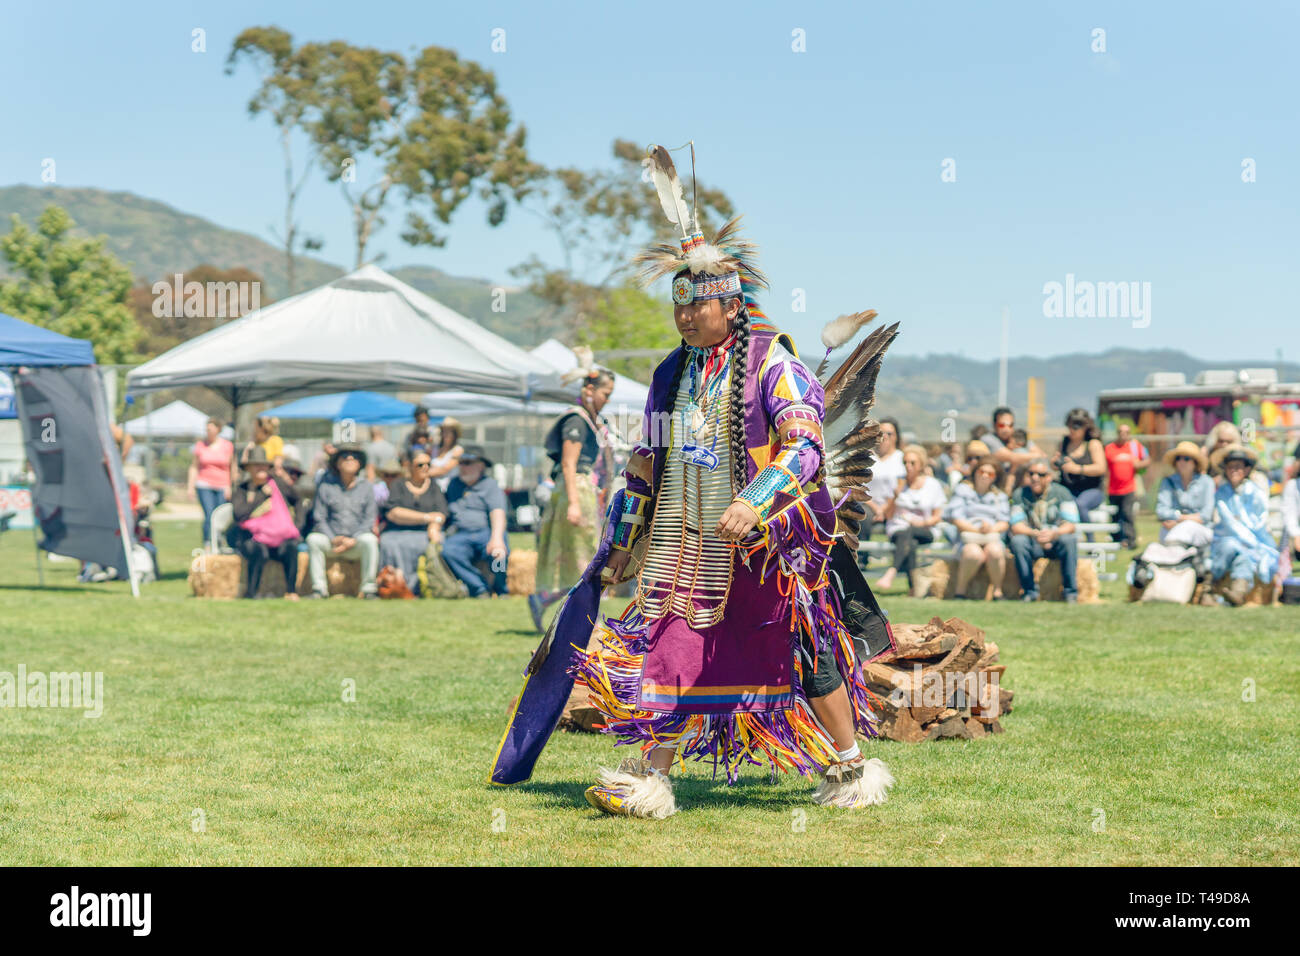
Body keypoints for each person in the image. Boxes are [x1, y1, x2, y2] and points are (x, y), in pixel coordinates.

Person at [573, 164, 894, 819]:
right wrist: (623, 542)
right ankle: (651, 781)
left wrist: (755, 500)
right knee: (668, 643)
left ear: (731, 306)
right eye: (679, 305)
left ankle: (850, 765)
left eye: (698, 305)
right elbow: (645, 461)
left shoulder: (775, 361)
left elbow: (805, 446)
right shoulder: (670, 373)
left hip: (768, 543)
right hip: (685, 540)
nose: (685, 316)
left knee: (800, 651)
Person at [529, 368, 617, 631]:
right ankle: (584, 619)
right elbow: (568, 464)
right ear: (589, 390)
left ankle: (547, 601)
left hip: (583, 490)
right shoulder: (576, 420)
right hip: (574, 490)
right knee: (585, 556)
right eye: (605, 394)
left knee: (584, 555)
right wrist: (575, 503)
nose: (607, 400)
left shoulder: (591, 420)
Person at [306, 443, 379, 599]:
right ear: (337, 463)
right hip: (332, 541)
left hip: (356, 542)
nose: (350, 459)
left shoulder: (367, 487)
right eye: (345, 457)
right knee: (313, 540)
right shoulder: (325, 486)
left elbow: (369, 519)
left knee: (370, 540)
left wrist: (353, 539)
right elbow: (319, 517)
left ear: (360, 464)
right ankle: (319, 589)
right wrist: (333, 538)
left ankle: (368, 589)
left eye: (355, 457)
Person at [1210, 444, 1279, 606]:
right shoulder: (1222, 493)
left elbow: (1259, 521)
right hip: (1228, 539)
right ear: (1225, 470)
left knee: (1243, 555)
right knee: (1233, 548)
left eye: (1238, 467)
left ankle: (1233, 592)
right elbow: (1227, 522)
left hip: (1253, 540)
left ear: (1247, 470)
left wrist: (1246, 536)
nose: (1234, 471)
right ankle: (1220, 588)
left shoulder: (1255, 492)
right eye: (1230, 467)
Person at [227, 451, 301, 600]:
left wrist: (298, 525)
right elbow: (239, 514)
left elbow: (298, 501)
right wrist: (262, 495)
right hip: (251, 538)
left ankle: (291, 591)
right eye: (256, 465)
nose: (260, 468)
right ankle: (252, 593)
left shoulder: (278, 484)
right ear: (248, 469)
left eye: (263, 465)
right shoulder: (242, 489)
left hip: (278, 537)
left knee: (291, 548)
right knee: (259, 551)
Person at [875, 444, 946, 592]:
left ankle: (892, 571)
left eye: (912, 463)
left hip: (925, 529)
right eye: (905, 462)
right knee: (910, 541)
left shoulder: (933, 485)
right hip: (898, 528)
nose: (908, 466)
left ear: (921, 465)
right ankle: (914, 588)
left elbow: (937, 517)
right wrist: (896, 494)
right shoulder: (897, 483)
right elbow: (888, 515)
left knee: (910, 532)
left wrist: (922, 522)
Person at [1009, 457, 1080, 602]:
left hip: (1056, 541)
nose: (1035, 478)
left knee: (1069, 539)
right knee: (1018, 541)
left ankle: (1070, 592)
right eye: (1031, 474)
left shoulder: (1062, 493)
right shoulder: (1019, 494)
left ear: (1049, 477)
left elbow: (1071, 524)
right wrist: (1034, 533)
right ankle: (1028, 591)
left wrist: (1054, 533)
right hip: (1033, 541)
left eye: (1040, 474)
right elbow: (1016, 526)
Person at [442, 445, 510, 598]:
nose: (462, 467)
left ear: (481, 466)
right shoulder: (453, 484)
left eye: (467, 463)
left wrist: (496, 538)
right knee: (448, 550)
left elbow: (498, 512)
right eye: (461, 463)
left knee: (498, 554)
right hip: (461, 534)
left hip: (485, 533)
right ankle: (479, 587)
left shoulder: (490, 485)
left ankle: (501, 588)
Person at [379, 450, 449, 596]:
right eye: (420, 465)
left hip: (425, 533)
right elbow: (394, 513)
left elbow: (441, 514)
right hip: (396, 532)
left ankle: (422, 587)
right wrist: (427, 517)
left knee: (435, 543)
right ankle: (398, 587)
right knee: (388, 543)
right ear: (409, 466)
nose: (425, 467)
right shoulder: (398, 485)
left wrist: (434, 526)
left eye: (428, 464)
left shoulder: (434, 487)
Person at [945, 457, 1011, 599]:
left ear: (995, 477)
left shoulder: (1000, 496)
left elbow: (1004, 522)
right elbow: (956, 518)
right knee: (973, 554)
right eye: (981, 471)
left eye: (990, 473)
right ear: (975, 472)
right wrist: (977, 530)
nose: (985, 476)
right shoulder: (963, 490)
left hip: (991, 536)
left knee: (995, 551)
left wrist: (990, 529)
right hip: (968, 537)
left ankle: (997, 592)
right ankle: (960, 591)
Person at [1155, 441, 1215, 547]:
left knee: (1187, 527)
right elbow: (1161, 511)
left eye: (1186, 458)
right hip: (1173, 528)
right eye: (1178, 458)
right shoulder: (1168, 481)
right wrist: (1186, 518)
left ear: (1195, 462)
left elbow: (1206, 515)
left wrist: (1179, 519)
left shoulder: (1207, 482)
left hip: (1200, 530)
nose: (1182, 462)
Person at [187, 417, 235, 547]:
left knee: (221, 515)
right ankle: (208, 542)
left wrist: (230, 486)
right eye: (207, 429)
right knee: (209, 514)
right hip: (204, 484)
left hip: (222, 485)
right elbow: (194, 467)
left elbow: (232, 467)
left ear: (218, 429)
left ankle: (220, 540)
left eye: (211, 428)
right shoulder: (201, 445)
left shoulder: (227, 446)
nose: (208, 431)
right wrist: (190, 487)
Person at [1053, 408, 1107, 523]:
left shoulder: (1093, 444)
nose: (1071, 430)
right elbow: (1055, 466)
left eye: (1075, 427)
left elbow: (1101, 468)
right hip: (1068, 489)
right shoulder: (1063, 443)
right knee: (1062, 503)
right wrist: (1055, 463)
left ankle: (1089, 533)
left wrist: (1077, 469)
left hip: (1091, 490)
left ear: (1085, 427)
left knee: (1080, 504)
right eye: (1069, 426)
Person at [1104, 422, 1149, 548]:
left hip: (1129, 488)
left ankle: (1130, 540)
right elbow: (1104, 467)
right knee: (1115, 515)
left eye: (1126, 432)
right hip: (1113, 489)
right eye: (1121, 432)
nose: (1123, 435)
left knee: (1127, 514)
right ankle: (1116, 539)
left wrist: (1139, 464)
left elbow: (1147, 460)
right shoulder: (1110, 448)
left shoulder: (1135, 447)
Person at [863, 417, 904, 539]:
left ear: (896, 437)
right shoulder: (867, 458)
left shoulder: (902, 458)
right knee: (861, 516)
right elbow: (859, 487)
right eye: (881, 433)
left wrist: (885, 509)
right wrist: (877, 509)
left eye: (889, 434)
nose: (885, 437)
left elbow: (901, 486)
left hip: (895, 506)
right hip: (869, 506)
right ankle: (862, 551)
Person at [428, 417, 464, 490]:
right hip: (433, 489)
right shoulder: (434, 449)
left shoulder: (458, 450)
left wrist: (423, 473)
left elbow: (444, 470)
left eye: (449, 432)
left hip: (449, 490)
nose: (446, 434)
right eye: (444, 431)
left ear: (455, 434)